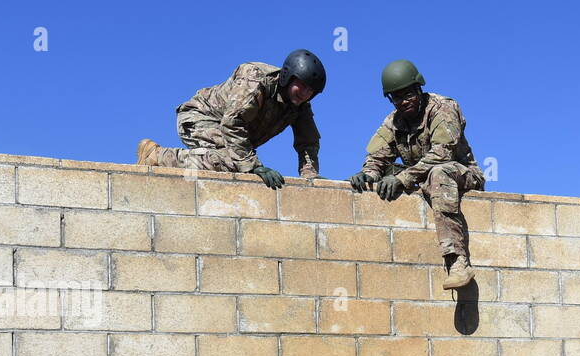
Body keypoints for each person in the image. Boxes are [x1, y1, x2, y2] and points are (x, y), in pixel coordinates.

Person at [348, 60, 485, 291]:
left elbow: (443, 152)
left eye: (408, 94)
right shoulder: (394, 121)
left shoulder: (442, 107)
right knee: (384, 176)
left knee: (438, 172)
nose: (404, 101)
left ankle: (457, 261)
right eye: (397, 98)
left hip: (460, 175)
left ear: (418, 89)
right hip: (423, 178)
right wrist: (368, 174)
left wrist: (402, 179)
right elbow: (378, 156)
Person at [137, 50, 326, 188]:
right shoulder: (255, 79)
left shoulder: (299, 106)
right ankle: (156, 156)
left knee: (237, 161)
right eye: (300, 85)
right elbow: (232, 123)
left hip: (227, 131)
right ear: (287, 77)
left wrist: (311, 177)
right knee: (234, 162)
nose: (305, 93)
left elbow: (308, 142)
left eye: (311, 90)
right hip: (199, 118)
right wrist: (253, 166)